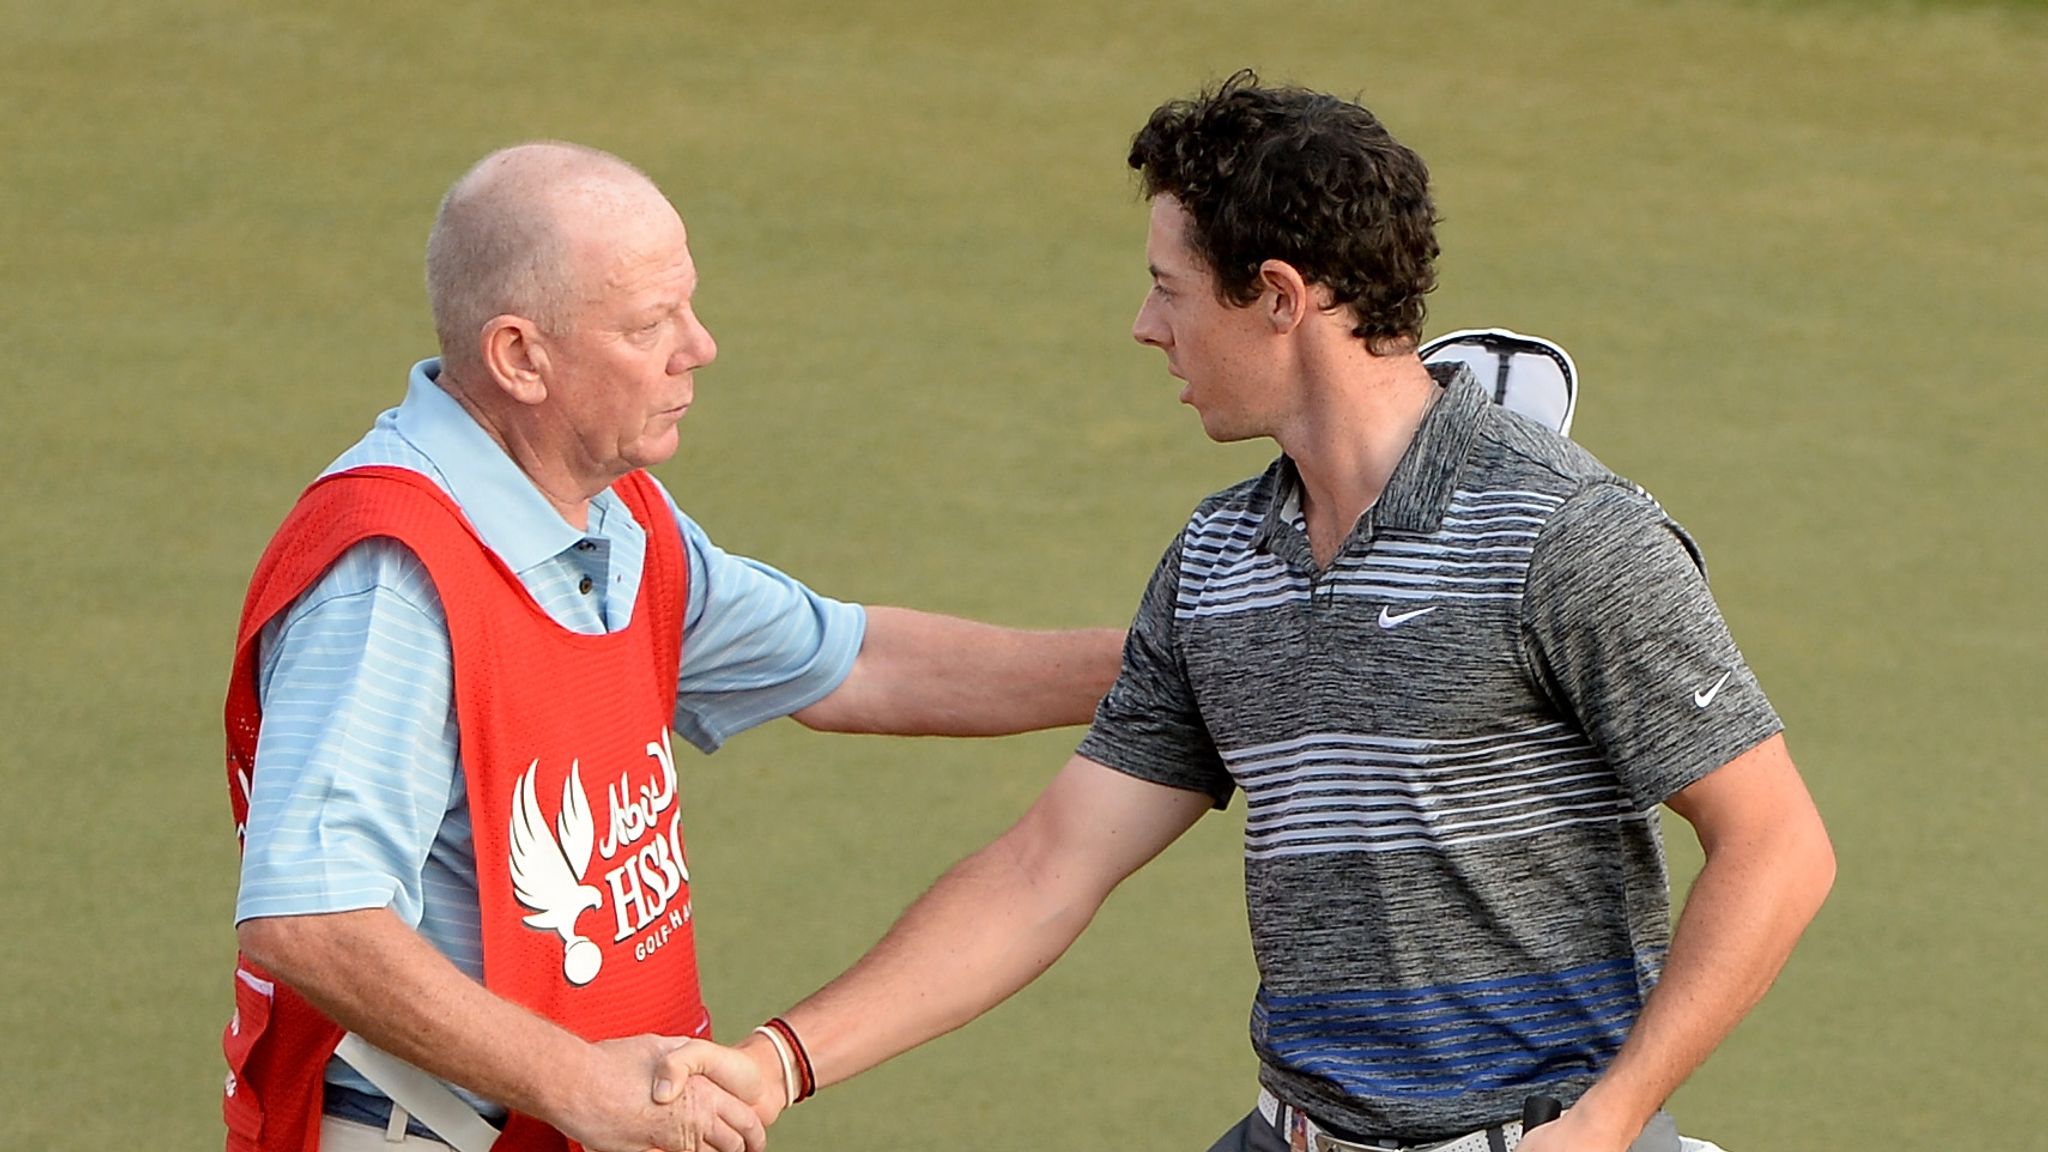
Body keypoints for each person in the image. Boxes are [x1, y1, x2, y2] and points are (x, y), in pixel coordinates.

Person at [723, 72, 1836, 1152]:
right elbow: (1042, 870)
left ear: (1277, 298)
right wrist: (778, 1061)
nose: (1143, 326)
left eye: (1167, 286)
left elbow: (1776, 845)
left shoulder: (1563, 533)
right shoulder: (1216, 562)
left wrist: (1608, 1121)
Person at [220, 141, 1124, 1152]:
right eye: (649, 325)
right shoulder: (394, 577)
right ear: (520, 356)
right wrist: (582, 1087)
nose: (698, 347)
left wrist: (1176, 657)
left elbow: (860, 663)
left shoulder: (614, 519)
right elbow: (312, 918)